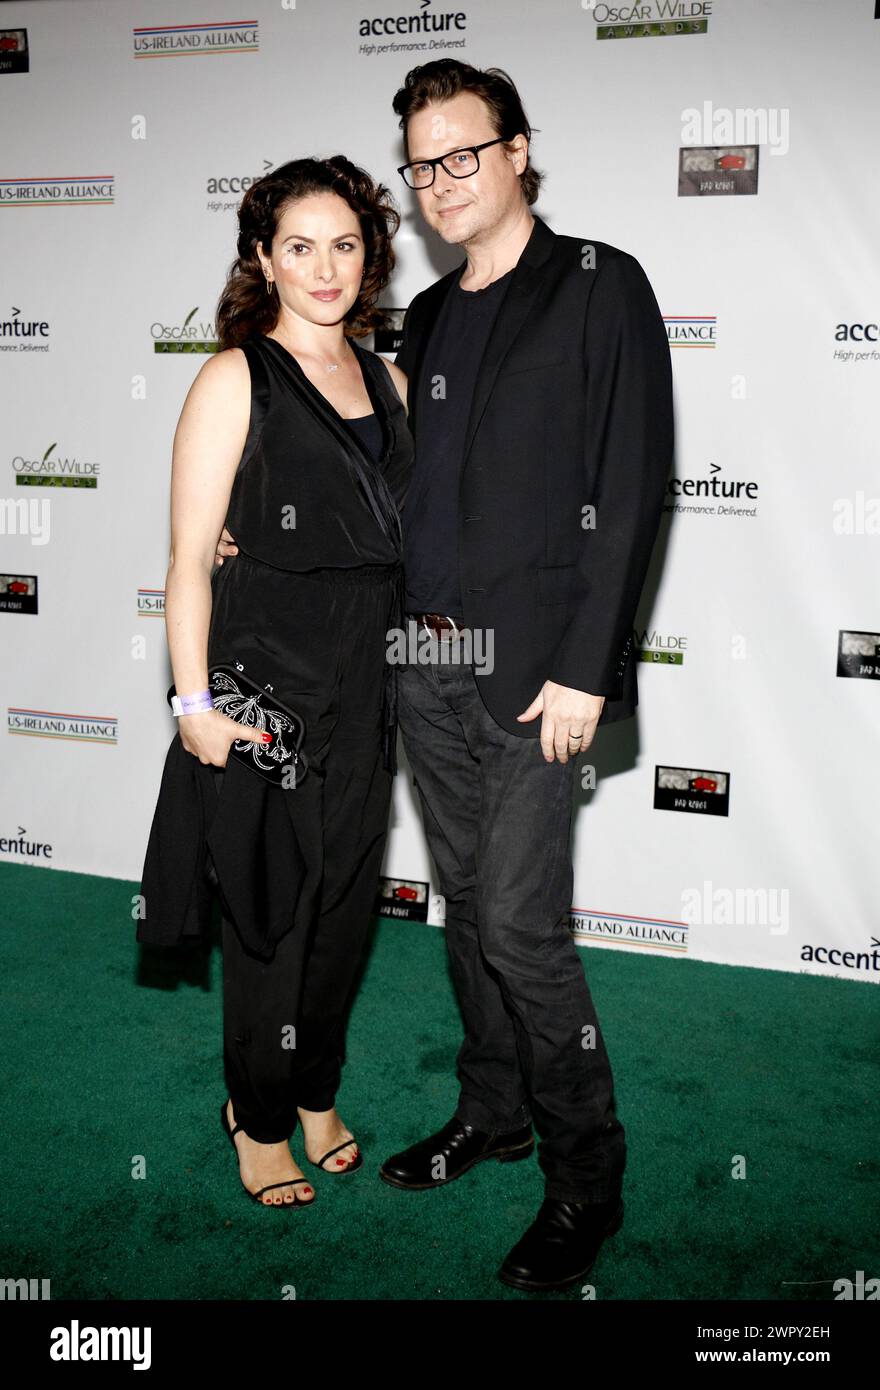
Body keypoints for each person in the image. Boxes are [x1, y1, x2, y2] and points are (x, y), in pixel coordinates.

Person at [218, 58, 673, 1288]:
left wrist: (591, 668)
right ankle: (494, 1111)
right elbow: (388, 487)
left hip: (541, 677)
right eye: (421, 164)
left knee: (522, 929)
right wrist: (247, 526)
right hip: (425, 662)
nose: (439, 181)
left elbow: (630, 488)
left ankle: (587, 1176)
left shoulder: (600, 284)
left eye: (463, 153)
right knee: (466, 918)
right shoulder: (422, 317)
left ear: (519, 150)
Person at [138, 156, 413, 1209]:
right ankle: (257, 1118)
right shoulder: (233, 377)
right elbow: (188, 556)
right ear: (263, 257)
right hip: (264, 689)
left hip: (368, 683)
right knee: (270, 915)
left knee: (344, 910)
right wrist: (193, 705)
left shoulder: (386, 379)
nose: (325, 265)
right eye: (299, 245)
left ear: (368, 253)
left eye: (344, 242)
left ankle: (312, 1090)